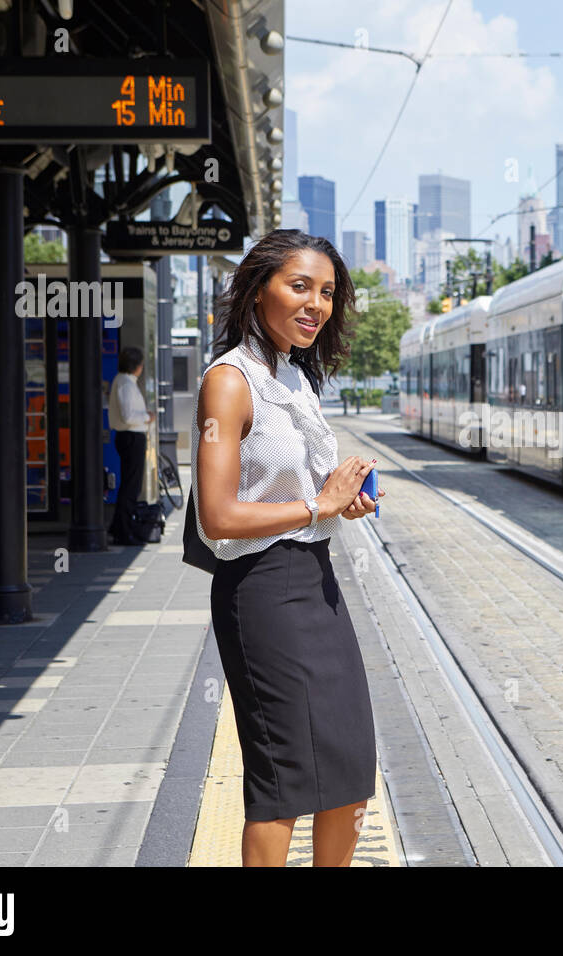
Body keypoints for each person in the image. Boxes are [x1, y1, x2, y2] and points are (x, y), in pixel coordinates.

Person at [191, 229, 386, 867]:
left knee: (351, 765)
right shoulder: (229, 382)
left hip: (316, 581)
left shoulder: (297, 379)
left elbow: (306, 494)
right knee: (286, 778)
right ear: (256, 290)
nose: (316, 304)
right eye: (299, 286)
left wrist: (340, 501)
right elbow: (217, 516)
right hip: (263, 592)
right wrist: (317, 505)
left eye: (326, 292)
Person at [107, 346, 154, 545]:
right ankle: (123, 532)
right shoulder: (126, 384)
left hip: (129, 437)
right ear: (137, 366)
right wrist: (146, 417)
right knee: (131, 487)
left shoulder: (124, 381)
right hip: (131, 437)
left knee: (129, 485)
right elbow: (127, 416)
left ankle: (119, 526)